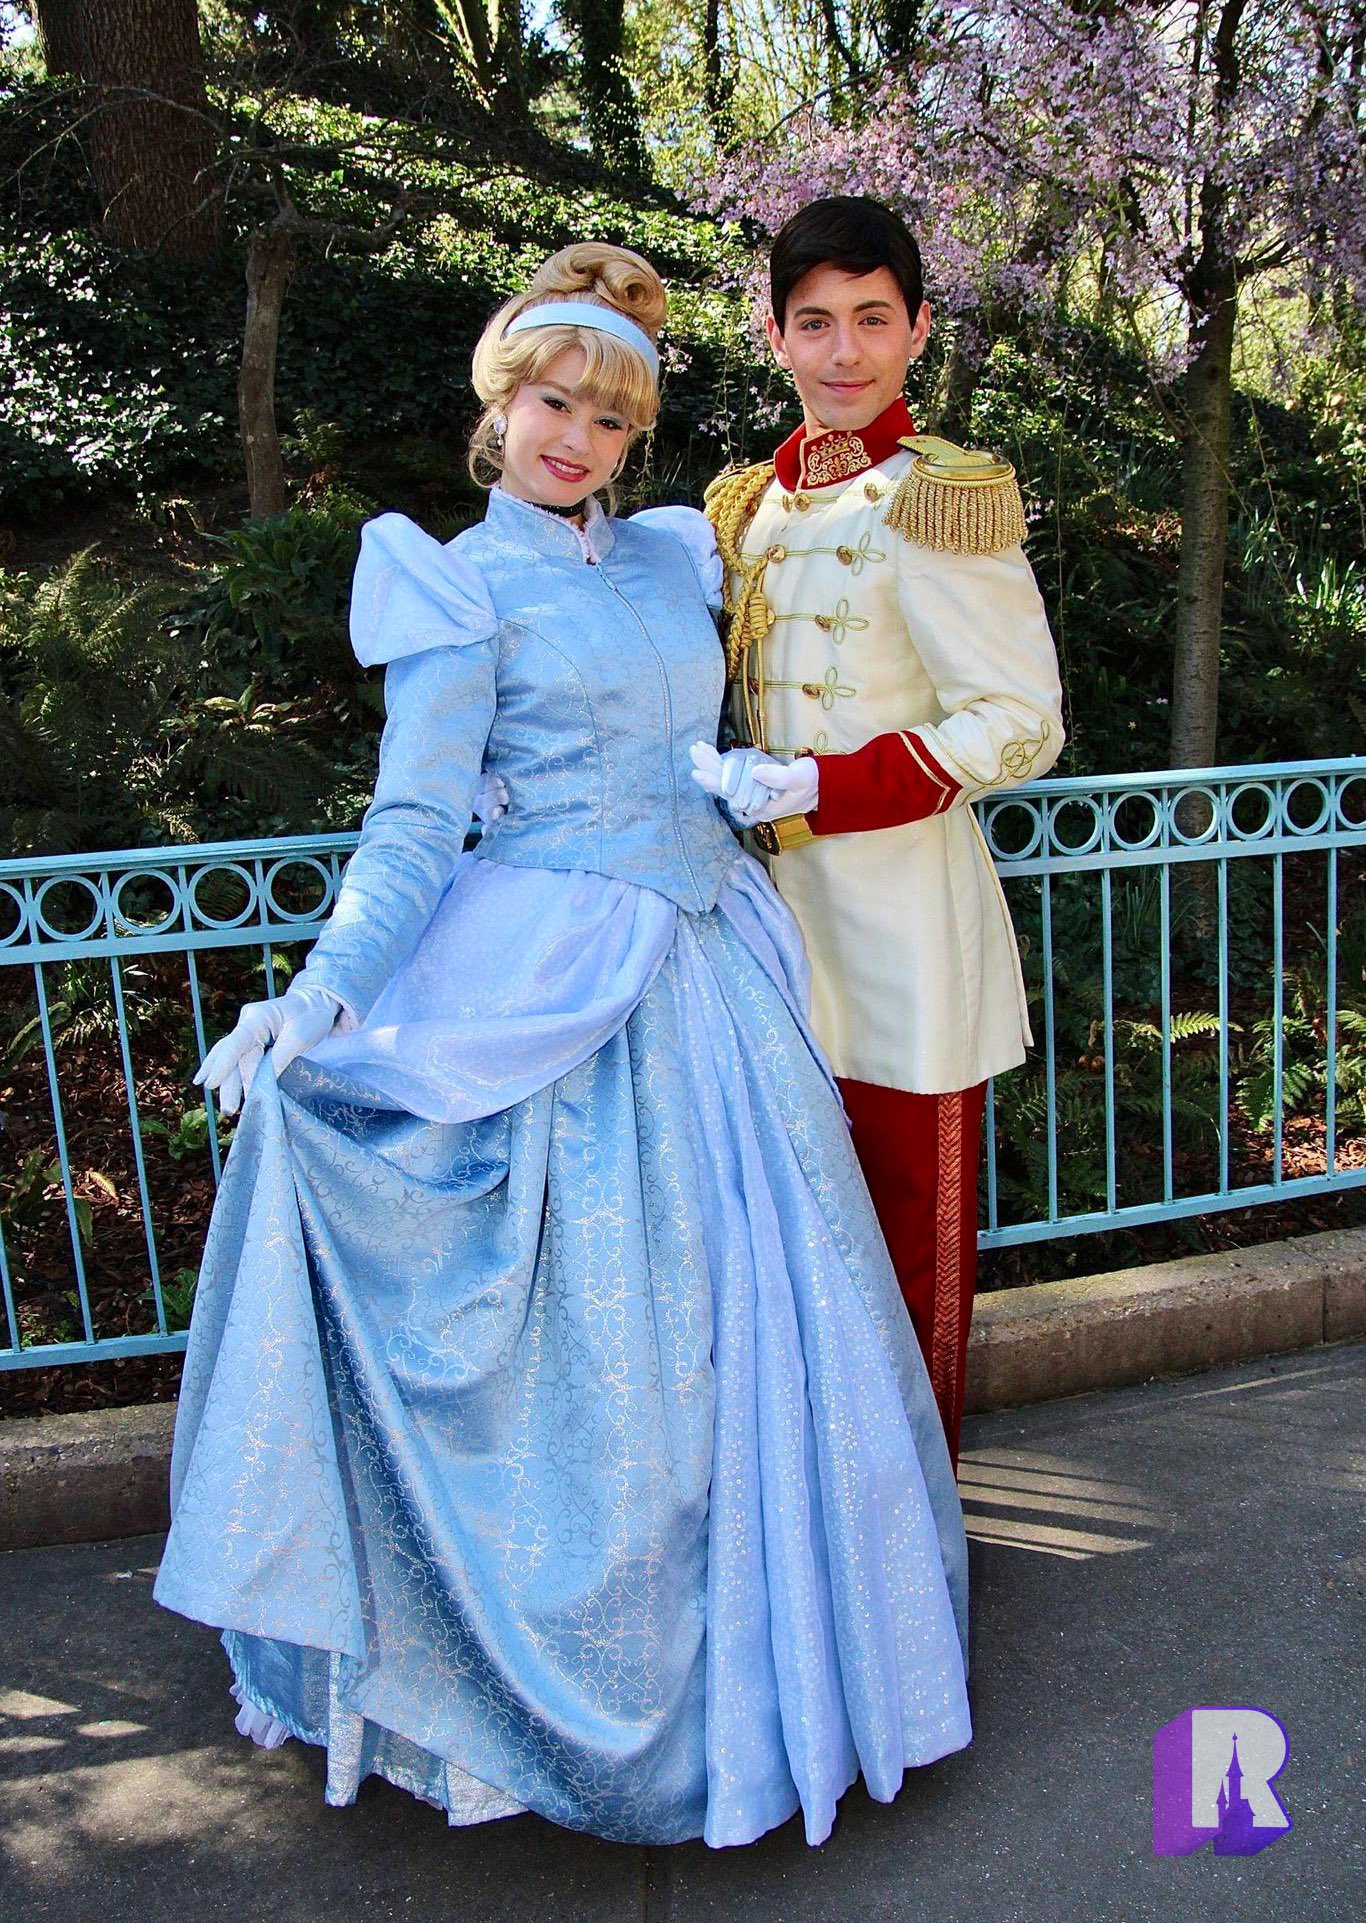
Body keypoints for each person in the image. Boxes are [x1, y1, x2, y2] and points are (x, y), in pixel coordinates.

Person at [154, 242, 971, 1851]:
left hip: (711, 972)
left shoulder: (675, 558)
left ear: (634, 436)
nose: (572, 437)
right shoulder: (451, 584)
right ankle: (527, 1705)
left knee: (749, 1352)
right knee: (597, 1370)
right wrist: (315, 1000)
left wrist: (752, 781)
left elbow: (709, 730)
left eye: (605, 414)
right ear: (498, 403)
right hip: (550, 974)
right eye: (548, 400)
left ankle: (778, 1670)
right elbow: (410, 828)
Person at [696, 198, 1065, 1468]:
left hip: (906, 935)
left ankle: (912, 1549)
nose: (843, 351)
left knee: (911, 1243)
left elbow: (1020, 722)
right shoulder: (742, 507)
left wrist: (822, 789)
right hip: (765, 942)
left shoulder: (942, 499)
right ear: (774, 334)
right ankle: (812, 1544)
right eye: (815, 323)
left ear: (914, 329)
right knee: (784, 1237)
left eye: (870, 320)